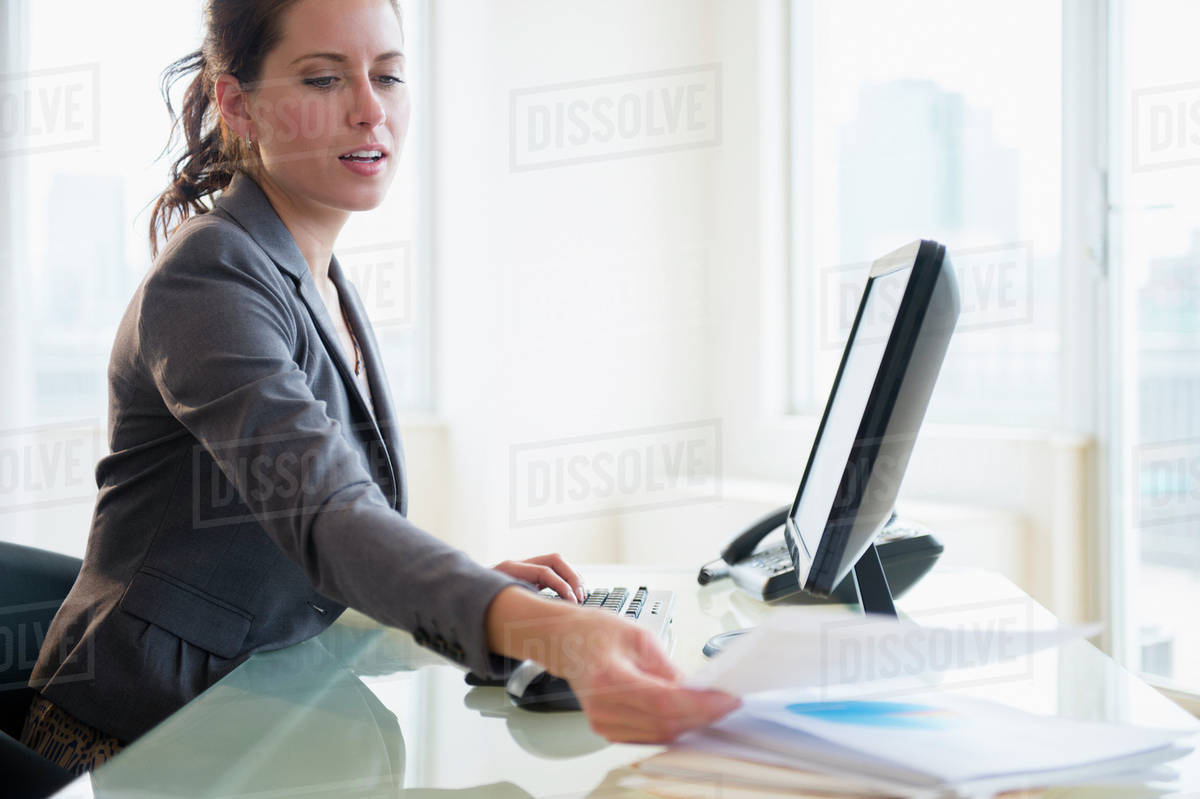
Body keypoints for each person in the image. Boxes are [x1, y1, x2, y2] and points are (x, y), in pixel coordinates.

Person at [20, 0, 739, 776]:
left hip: (253, 710)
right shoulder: (211, 276)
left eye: (389, 75)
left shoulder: (323, 279)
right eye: (325, 78)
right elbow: (327, 514)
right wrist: (536, 629)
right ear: (238, 104)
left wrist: (463, 598)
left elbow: (309, 570)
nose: (370, 109)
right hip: (133, 739)